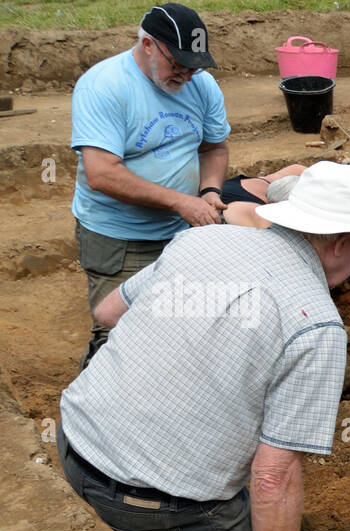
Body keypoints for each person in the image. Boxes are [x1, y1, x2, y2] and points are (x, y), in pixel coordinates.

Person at [10, 162, 350, 531]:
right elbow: (272, 480)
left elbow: (107, 313)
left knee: (215, 471)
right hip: (144, 497)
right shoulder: (315, 326)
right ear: (337, 242)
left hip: (76, 444)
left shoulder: (202, 241)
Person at [70, 3, 231, 367]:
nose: (187, 75)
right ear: (147, 45)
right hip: (120, 239)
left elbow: (214, 146)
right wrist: (179, 202)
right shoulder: (104, 86)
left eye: (194, 65)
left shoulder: (201, 85)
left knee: (178, 328)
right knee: (118, 335)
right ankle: (88, 417)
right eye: (178, 64)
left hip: (181, 233)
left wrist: (209, 191)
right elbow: (101, 173)